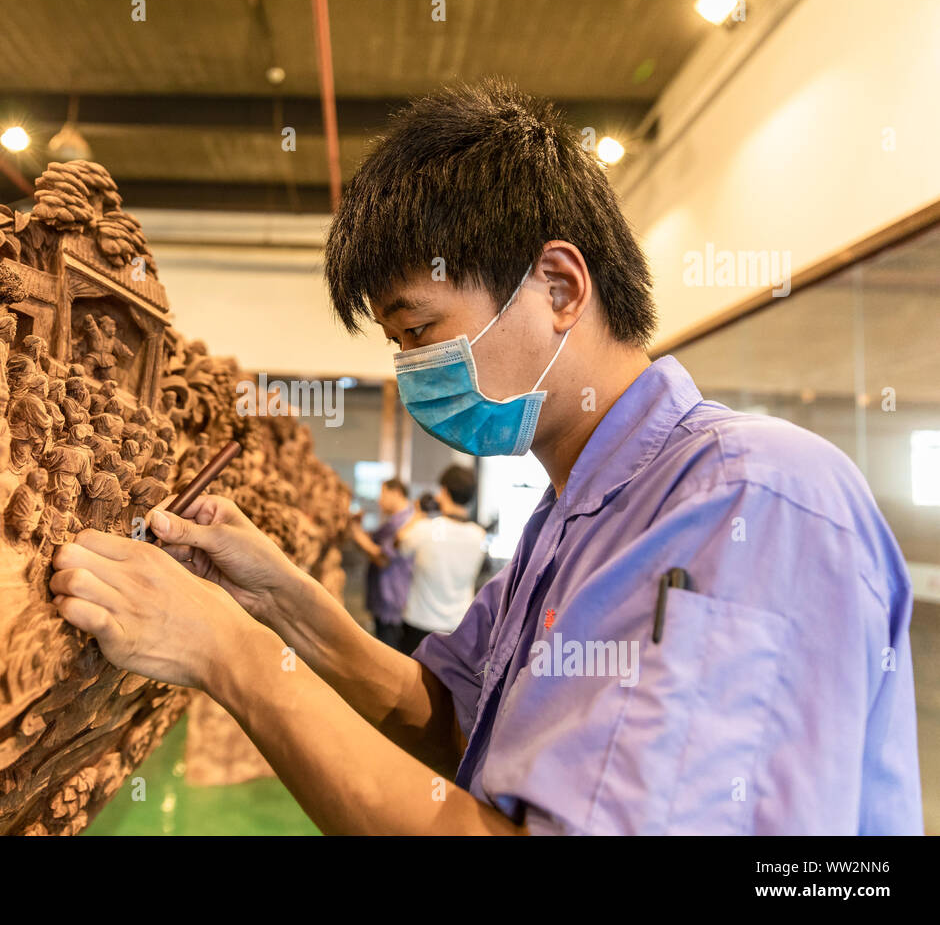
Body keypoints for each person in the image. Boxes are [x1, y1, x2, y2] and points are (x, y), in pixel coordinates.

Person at [47, 81, 921, 834]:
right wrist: (278, 598)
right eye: (398, 346)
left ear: (559, 287)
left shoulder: (748, 501)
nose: (412, 373)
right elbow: (453, 717)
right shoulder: (571, 519)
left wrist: (225, 654)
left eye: (422, 330)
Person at [394, 466, 485, 656]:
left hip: (419, 625)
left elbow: (399, 544)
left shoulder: (425, 529)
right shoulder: (479, 536)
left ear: (443, 491)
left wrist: (418, 515)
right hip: (457, 627)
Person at [348, 478, 414, 649]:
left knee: (390, 653)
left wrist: (355, 533)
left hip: (392, 600)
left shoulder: (404, 523)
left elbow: (383, 559)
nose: (379, 500)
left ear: (396, 493)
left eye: (383, 494)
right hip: (386, 599)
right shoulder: (396, 521)